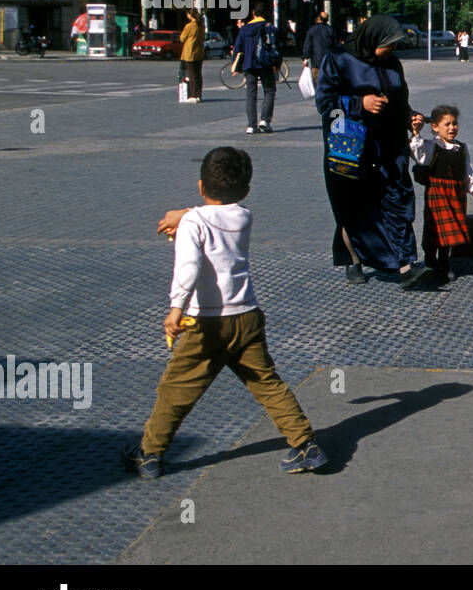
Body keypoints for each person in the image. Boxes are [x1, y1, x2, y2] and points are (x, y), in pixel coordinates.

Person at [125, 147, 329, 479]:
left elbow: (188, 268)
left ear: (201, 185)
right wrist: (188, 215)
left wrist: (175, 309)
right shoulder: (244, 215)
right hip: (247, 315)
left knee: (176, 389)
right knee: (266, 382)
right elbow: (219, 214)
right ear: (246, 190)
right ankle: (305, 444)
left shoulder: (194, 221)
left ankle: (149, 454)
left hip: (204, 321)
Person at [315, 15, 421, 285]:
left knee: (396, 200)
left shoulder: (392, 63)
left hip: (388, 146)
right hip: (353, 147)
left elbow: (401, 100)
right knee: (354, 206)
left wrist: (411, 117)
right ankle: (354, 259)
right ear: (373, 39)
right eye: (389, 45)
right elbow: (326, 104)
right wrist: (359, 103)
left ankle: (405, 265)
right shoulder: (338, 58)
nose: (392, 50)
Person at [403, 104, 473, 290]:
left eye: (454, 124)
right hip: (437, 194)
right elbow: (420, 156)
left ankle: (444, 261)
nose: (452, 128)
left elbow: (467, 172)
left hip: (456, 195)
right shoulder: (432, 145)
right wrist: (415, 134)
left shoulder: (461, 148)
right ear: (435, 127)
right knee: (434, 229)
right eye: (447, 124)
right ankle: (431, 260)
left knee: (449, 232)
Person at [231, 10, 279, 134]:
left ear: (253, 13)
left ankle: (251, 125)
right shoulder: (270, 28)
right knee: (269, 90)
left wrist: (235, 66)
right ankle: (265, 120)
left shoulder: (245, 29)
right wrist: (277, 64)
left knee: (251, 94)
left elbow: (238, 47)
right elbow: (277, 47)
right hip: (265, 64)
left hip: (249, 65)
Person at [302, 10, 335, 85]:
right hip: (328, 62)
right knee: (328, 83)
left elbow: (307, 45)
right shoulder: (331, 30)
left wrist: (305, 58)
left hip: (316, 62)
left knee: (318, 83)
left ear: (318, 19)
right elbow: (335, 46)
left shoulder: (312, 30)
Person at [179, 8, 204, 103]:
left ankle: (193, 95)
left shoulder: (189, 26)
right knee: (198, 74)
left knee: (191, 74)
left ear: (190, 15)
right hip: (200, 52)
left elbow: (182, 38)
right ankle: (198, 94)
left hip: (190, 53)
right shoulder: (201, 25)